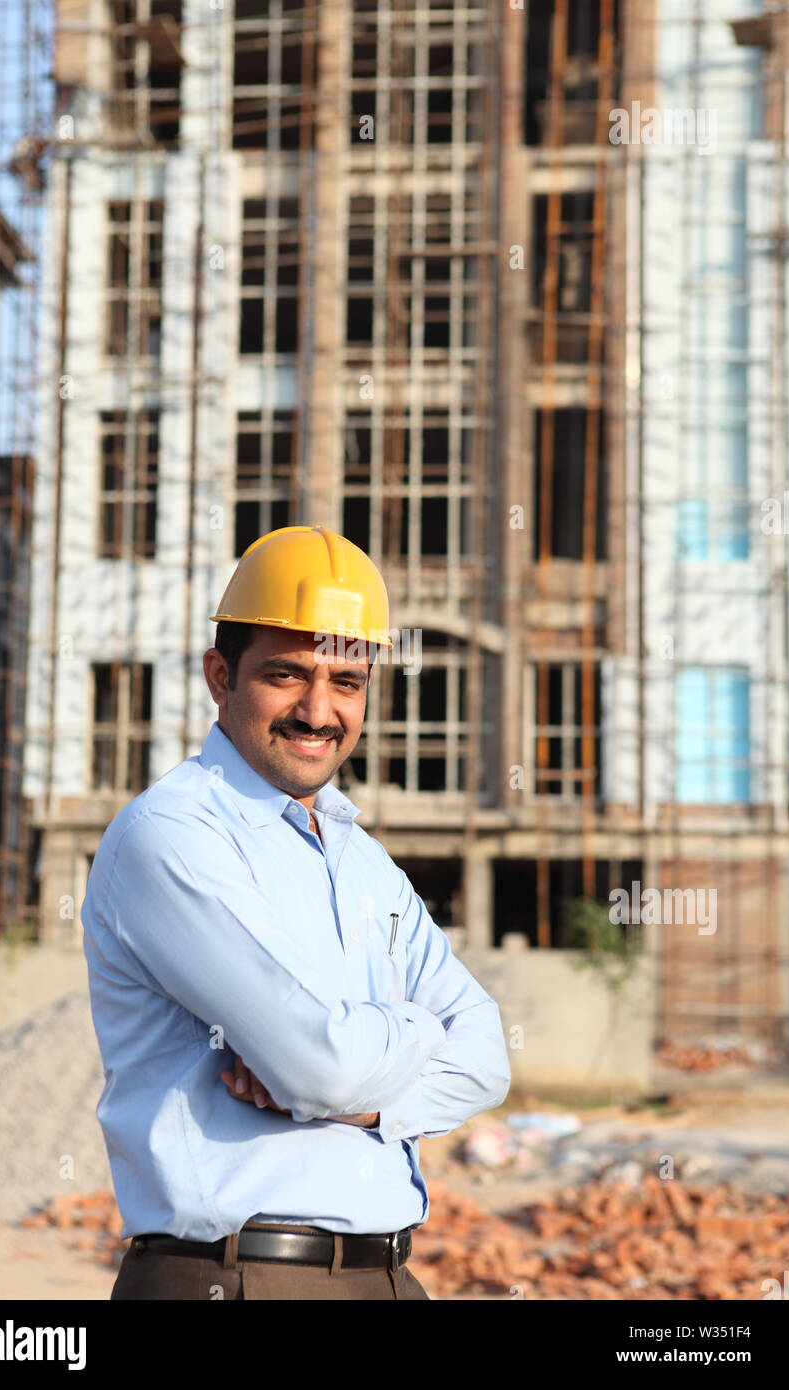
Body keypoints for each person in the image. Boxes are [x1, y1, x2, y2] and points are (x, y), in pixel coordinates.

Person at [81, 525, 511, 1300]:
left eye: (346, 682)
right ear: (220, 675)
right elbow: (323, 1063)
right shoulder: (171, 837)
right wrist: (412, 1033)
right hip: (236, 1279)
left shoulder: (363, 859)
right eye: (287, 675)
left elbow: (487, 1061)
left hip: (387, 1277)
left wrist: (357, 1105)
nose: (319, 711)